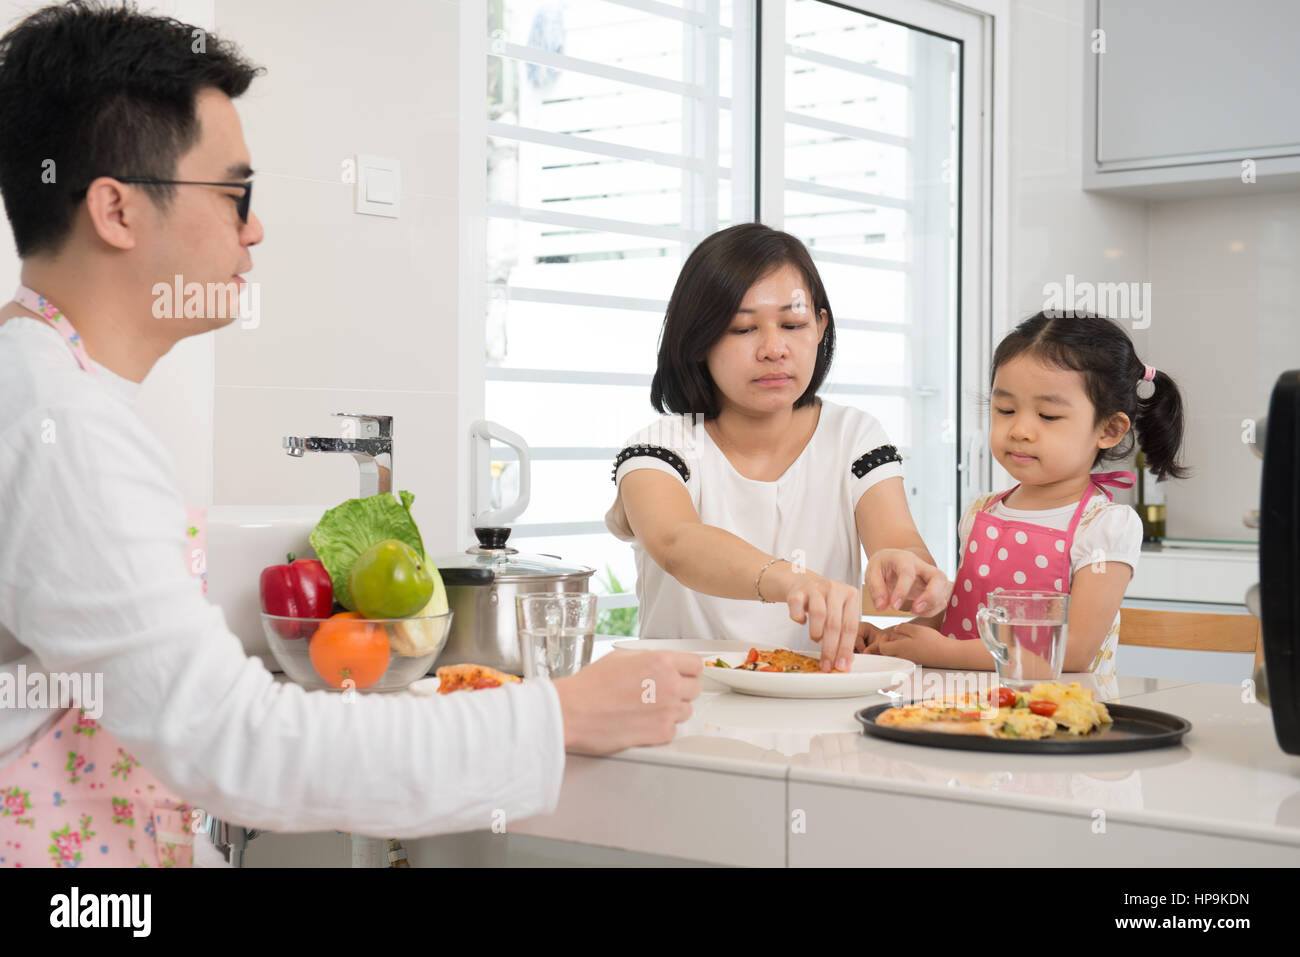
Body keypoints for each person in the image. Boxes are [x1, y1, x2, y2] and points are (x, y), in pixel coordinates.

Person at [0, 0, 701, 869]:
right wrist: (561, 715)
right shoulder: (57, 423)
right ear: (116, 210)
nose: (254, 226)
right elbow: (235, 742)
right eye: (234, 193)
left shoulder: (46, 388)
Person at [604, 223, 951, 673]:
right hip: (685, 703)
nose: (773, 349)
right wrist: (796, 582)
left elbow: (899, 542)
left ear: (820, 327)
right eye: (742, 328)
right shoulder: (660, 448)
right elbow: (677, 543)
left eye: (793, 324)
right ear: (698, 340)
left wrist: (907, 572)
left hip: (818, 705)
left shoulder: (854, 436)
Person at [861, 310, 1189, 675]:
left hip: (1056, 717)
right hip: (964, 710)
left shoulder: (1105, 527)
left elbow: (1073, 652)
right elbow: (960, 615)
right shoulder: (981, 512)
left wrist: (943, 653)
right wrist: (896, 641)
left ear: (1109, 429)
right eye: (1005, 409)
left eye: (1047, 416)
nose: (1020, 430)